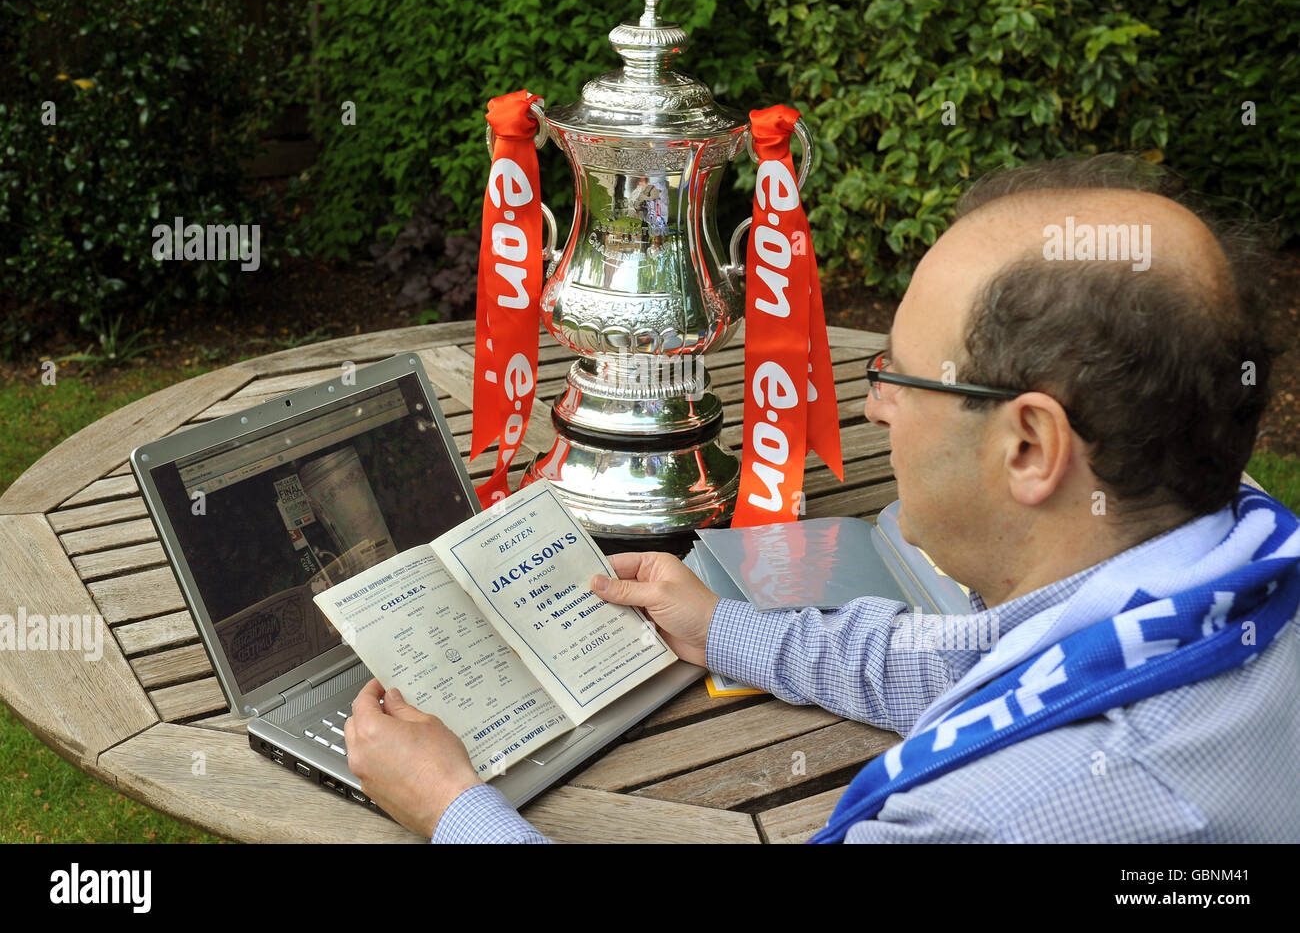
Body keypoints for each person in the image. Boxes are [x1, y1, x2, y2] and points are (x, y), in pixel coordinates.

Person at [343, 154, 1300, 843]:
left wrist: (454, 811)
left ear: (1030, 445)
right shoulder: (1230, 575)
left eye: (904, 379)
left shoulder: (994, 815)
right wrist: (723, 628)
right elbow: (980, 664)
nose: (876, 406)